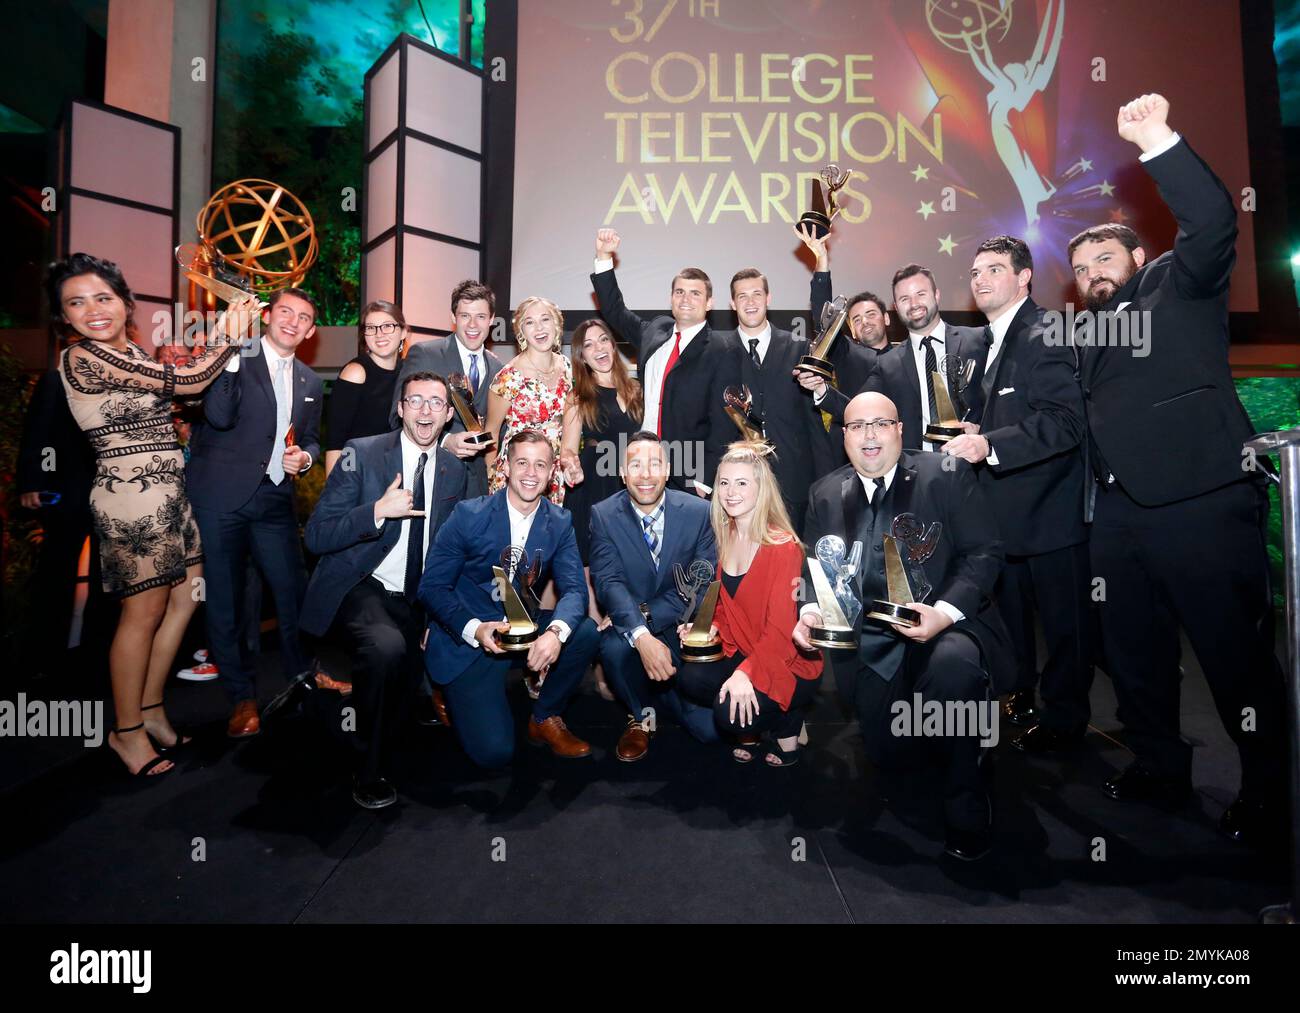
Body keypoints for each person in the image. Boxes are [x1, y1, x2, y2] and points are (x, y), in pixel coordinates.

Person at [1068, 94, 1287, 846]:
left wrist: (1156, 141)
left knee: (1236, 660)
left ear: (1138, 259)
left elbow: (1213, 223)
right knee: (1133, 657)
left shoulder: (1179, 288)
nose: (1092, 271)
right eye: (1080, 265)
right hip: (1120, 517)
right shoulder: (1086, 334)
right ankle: (1161, 765)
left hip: (1201, 504)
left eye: (1105, 257)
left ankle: (1270, 790)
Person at [51, 252, 252, 777]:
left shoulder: (133, 352)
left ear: (124, 302)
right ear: (64, 316)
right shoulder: (81, 358)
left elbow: (180, 393)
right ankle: (125, 732)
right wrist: (227, 333)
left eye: (103, 297)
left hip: (172, 494)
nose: (92, 310)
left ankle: (151, 708)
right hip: (130, 498)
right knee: (141, 615)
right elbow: (187, 383)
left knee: (184, 602)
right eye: (76, 302)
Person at [795, 392, 1013, 860]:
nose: (869, 435)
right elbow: (816, 573)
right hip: (870, 645)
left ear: (900, 430)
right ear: (845, 437)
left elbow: (985, 553)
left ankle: (967, 798)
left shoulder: (946, 475)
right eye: (857, 426)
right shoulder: (824, 493)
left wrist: (945, 613)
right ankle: (933, 744)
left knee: (954, 674)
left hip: (946, 631)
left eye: (880, 424)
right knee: (892, 761)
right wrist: (810, 614)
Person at [941, 235, 1092, 746]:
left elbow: (1066, 422)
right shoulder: (989, 340)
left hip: (1049, 515)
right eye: (975, 270)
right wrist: (972, 433)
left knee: (1065, 630)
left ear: (1024, 277)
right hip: (1002, 518)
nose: (980, 279)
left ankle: (1066, 725)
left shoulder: (1046, 329)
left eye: (993, 269)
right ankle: (1019, 699)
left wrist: (989, 445)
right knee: (1012, 627)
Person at [302, 371, 467, 808]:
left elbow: (450, 552)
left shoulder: (454, 470)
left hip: (415, 597)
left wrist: (436, 616)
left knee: (405, 678)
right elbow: (316, 536)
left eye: (436, 403)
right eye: (415, 401)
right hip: (361, 583)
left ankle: (355, 716)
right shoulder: (364, 453)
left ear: (449, 414)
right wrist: (376, 511)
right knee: (385, 648)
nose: (426, 411)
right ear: (400, 409)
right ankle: (367, 767)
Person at [186, 286, 323, 739]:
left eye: (303, 317)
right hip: (221, 496)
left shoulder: (310, 380)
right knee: (225, 599)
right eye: (285, 311)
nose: (292, 321)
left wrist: (303, 458)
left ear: (310, 330)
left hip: (274, 500)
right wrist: (229, 349)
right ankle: (241, 696)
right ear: (267, 317)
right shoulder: (235, 358)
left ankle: (303, 672)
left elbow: (312, 441)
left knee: (293, 589)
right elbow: (219, 415)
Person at [419, 429, 600, 766]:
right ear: (505, 467)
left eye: (540, 465)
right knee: (494, 754)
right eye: (522, 463)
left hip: (523, 628)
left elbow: (575, 589)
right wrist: (474, 628)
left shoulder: (559, 521)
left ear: (550, 474)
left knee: (585, 632)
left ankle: (544, 716)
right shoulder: (468, 515)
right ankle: (443, 689)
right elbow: (431, 587)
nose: (531, 473)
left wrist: (555, 634)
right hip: (470, 636)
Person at [677, 441, 822, 766]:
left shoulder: (783, 547)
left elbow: (782, 634)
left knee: (729, 715)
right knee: (690, 678)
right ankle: (766, 721)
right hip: (746, 647)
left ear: (762, 488)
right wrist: (708, 627)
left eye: (742, 483)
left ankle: (788, 724)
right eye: (724, 482)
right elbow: (728, 609)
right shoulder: (726, 532)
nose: (730, 491)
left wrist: (745, 673)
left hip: (788, 660)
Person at [588, 431, 720, 760]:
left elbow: (698, 585)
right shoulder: (604, 515)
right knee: (614, 645)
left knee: (709, 731)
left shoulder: (699, 512)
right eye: (635, 465)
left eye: (654, 464)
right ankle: (641, 714)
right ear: (622, 473)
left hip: (682, 629)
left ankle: (667, 694)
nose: (645, 474)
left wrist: (644, 617)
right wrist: (641, 636)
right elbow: (608, 582)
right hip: (631, 626)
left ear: (667, 468)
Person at [591, 228, 739, 496]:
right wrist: (603, 256)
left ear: (709, 303)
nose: (686, 299)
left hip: (688, 472)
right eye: (679, 292)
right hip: (642, 463)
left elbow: (724, 422)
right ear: (671, 298)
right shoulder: (655, 330)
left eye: (695, 294)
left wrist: (705, 478)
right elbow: (615, 311)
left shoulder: (721, 349)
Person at [797, 264, 987, 450]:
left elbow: (1007, 402)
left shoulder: (978, 341)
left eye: (920, 294)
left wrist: (985, 434)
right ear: (896, 307)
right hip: (916, 471)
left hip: (974, 468)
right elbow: (858, 409)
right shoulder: (887, 364)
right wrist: (821, 388)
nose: (914, 304)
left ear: (936, 295)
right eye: (904, 299)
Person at [717, 268, 828, 533]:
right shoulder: (718, 351)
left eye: (757, 294)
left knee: (794, 562)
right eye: (742, 296)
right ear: (732, 304)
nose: (750, 302)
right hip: (740, 485)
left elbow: (812, 418)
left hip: (794, 479)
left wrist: (823, 477)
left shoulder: (799, 347)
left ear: (769, 298)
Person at [17, 353, 102, 681]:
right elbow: (36, 431)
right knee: (55, 579)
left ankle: (94, 660)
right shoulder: (56, 380)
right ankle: (41, 661)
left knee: (104, 583)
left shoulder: (116, 384)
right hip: (65, 495)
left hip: (110, 496)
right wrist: (31, 482)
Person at [392, 280, 503, 497]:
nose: (473, 325)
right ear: (453, 318)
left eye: (480, 317)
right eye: (465, 316)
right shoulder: (425, 354)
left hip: (478, 486)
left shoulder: (498, 368)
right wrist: (444, 440)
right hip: (431, 479)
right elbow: (396, 416)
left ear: (491, 320)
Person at [483, 296, 581, 504]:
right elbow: (490, 433)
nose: (539, 328)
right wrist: (493, 482)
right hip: (517, 476)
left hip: (554, 475)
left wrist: (569, 463)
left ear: (556, 325)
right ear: (521, 332)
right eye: (529, 322)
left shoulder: (569, 368)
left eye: (545, 319)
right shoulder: (507, 377)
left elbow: (572, 423)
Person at [561, 319, 643, 568]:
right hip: (593, 487)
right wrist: (570, 465)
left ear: (613, 345)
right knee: (592, 568)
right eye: (589, 345)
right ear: (582, 357)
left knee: (631, 565)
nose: (599, 348)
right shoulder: (578, 397)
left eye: (603, 339)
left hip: (632, 485)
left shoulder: (637, 389)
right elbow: (568, 448)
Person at [324, 300, 405, 476]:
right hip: (359, 472)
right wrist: (335, 494)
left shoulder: (407, 372)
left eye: (387, 326)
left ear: (404, 332)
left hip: (395, 472)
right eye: (371, 328)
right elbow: (336, 442)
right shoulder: (356, 372)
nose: (379, 334)